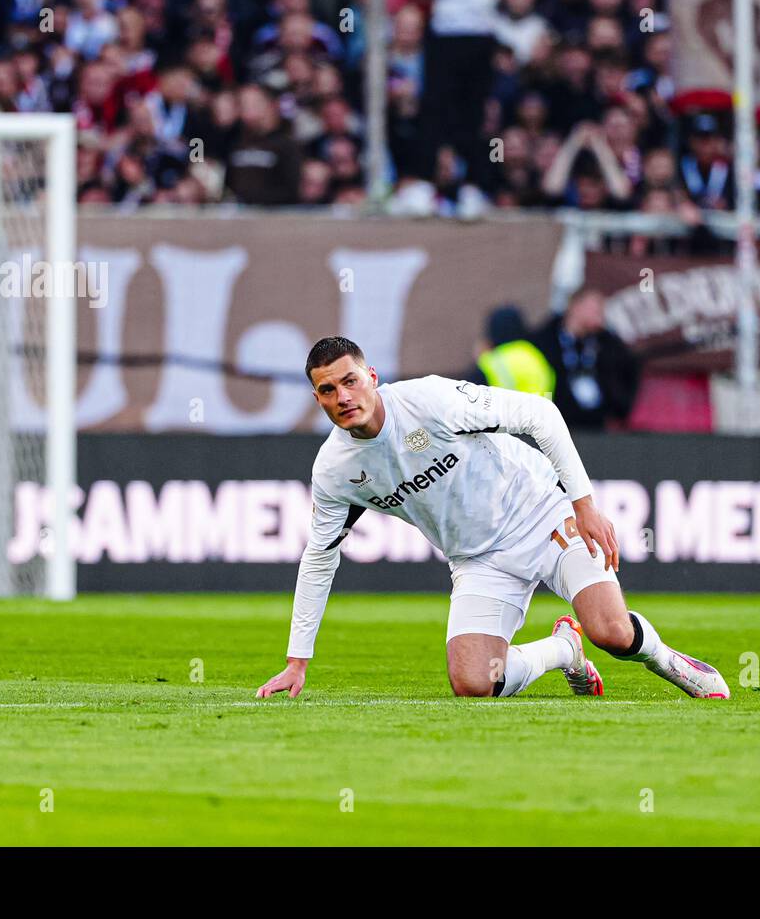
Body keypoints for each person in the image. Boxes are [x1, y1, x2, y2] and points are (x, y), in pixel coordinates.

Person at [255, 337, 728, 700]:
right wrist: (298, 660)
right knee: (473, 683)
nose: (343, 396)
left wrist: (583, 505)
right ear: (317, 398)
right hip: (478, 559)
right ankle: (564, 650)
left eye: (350, 380)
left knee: (612, 632)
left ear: (372, 376)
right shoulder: (335, 470)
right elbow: (319, 557)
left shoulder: (430, 401)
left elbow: (540, 414)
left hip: (543, 514)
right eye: (327, 389)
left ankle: (667, 661)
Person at [530, 287, 639, 429]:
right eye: (595, 308)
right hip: (557, 425)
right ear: (575, 306)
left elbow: (628, 372)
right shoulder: (544, 340)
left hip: (597, 427)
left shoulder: (608, 345)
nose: (600, 314)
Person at [469, 306, 556, 397]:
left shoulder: (495, 361)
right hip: (539, 410)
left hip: (505, 411)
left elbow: (470, 395)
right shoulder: (536, 356)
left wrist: (480, 359)